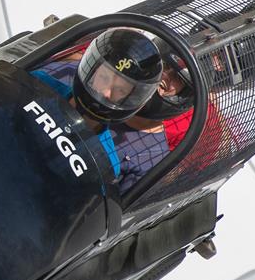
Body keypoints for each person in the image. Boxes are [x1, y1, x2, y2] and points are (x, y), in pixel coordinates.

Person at [31, 28, 167, 190]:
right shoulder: (37, 85)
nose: (106, 92)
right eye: (104, 78)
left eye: (120, 90)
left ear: (130, 99)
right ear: (93, 71)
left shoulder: (106, 162)